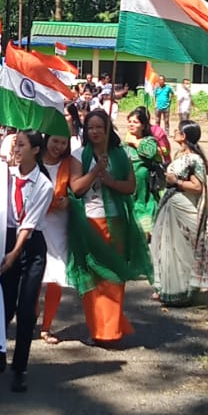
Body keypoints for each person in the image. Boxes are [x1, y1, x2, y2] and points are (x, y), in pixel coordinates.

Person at [66, 109, 152, 345]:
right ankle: (97, 329)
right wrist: (95, 171)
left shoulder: (121, 154)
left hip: (115, 221)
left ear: (107, 130)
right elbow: (76, 188)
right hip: (89, 222)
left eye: (99, 128)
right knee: (93, 276)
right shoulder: (78, 155)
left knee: (114, 274)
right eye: (90, 127)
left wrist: (111, 181)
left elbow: (131, 187)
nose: (94, 132)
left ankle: (110, 330)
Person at [0, 129, 54, 393]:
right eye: (15, 145)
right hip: (8, 238)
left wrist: (14, 254)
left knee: (27, 309)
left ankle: (20, 368)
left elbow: (28, 225)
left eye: (21, 145)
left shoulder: (43, 184)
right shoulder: (5, 176)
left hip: (30, 245)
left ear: (36, 150)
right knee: (5, 303)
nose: (16, 150)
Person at [150, 120, 208, 305]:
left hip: (183, 207)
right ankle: (165, 288)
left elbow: (197, 187)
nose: (175, 132)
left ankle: (181, 291)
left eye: (178, 130)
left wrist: (176, 181)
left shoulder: (194, 159)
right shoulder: (179, 155)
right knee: (165, 247)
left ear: (184, 136)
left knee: (181, 250)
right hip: (171, 204)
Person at [37, 131, 81, 343]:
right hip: (36, 223)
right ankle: (31, 316)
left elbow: (78, 191)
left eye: (63, 143)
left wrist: (69, 201)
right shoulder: (34, 160)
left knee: (56, 276)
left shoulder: (70, 163)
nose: (58, 147)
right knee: (35, 276)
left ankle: (46, 327)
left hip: (60, 225)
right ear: (46, 140)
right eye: (55, 141)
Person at [123, 107, 164, 238]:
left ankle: (146, 232)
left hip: (144, 186)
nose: (131, 124)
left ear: (143, 125)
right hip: (129, 183)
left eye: (135, 122)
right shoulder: (124, 143)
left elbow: (150, 153)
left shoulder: (149, 141)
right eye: (129, 121)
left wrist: (135, 142)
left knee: (144, 205)